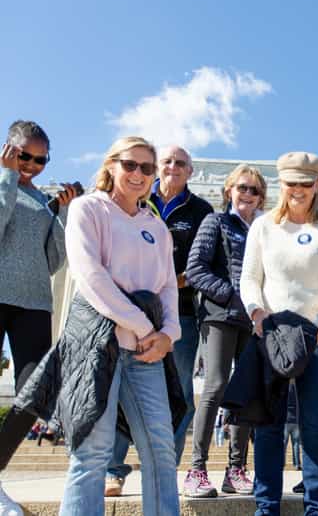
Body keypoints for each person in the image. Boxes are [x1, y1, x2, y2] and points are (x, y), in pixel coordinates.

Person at [58, 136, 181, 515]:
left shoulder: (156, 227)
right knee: (91, 452)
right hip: (95, 347)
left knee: (161, 449)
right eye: (130, 164)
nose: (138, 174)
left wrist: (169, 336)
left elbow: (168, 287)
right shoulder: (87, 209)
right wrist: (146, 328)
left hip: (145, 353)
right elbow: (90, 276)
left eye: (147, 168)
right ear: (111, 165)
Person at [240, 151, 318, 516]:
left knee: (315, 422)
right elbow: (250, 278)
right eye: (292, 183)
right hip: (270, 333)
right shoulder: (262, 226)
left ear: (317, 185)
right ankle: (266, 504)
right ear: (281, 184)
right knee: (270, 421)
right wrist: (257, 312)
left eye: (306, 183)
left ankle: (317, 506)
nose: (299, 190)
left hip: (316, 334)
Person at [105, 145, 213, 497]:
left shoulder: (200, 210)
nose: (172, 168)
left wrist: (169, 280)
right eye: (166, 162)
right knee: (120, 385)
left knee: (179, 391)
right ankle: (114, 470)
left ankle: (167, 467)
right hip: (127, 310)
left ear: (190, 172)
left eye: (180, 163)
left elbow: (201, 263)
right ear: (156, 168)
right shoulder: (137, 197)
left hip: (178, 311)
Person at [0, 121, 77, 514]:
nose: (31, 164)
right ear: (8, 149)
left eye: (40, 159)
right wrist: (6, 178)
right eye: (24, 155)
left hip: (33, 303)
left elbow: (52, 261)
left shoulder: (44, 200)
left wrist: (62, 213)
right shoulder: (3, 184)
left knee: (35, 391)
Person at [182, 163, 266, 497]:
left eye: (254, 190)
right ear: (229, 190)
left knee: (244, 393)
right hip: (219, 315)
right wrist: (232, 294)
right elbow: (195, 269)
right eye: (242, 187)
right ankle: (197, 469)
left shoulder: (262, 231)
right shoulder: (215, 221)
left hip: (252, 320)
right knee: (215, 384)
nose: (247, 194)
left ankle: (236, 469)